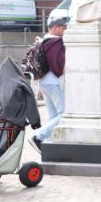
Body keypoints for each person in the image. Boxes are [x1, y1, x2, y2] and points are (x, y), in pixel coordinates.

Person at [32, 17, 68, 149]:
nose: (65, 30)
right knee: (64, 114)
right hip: (53, 83)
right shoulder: (55, 42)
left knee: (53, 115)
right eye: (64, 28)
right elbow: (57, 64)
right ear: (56, 28)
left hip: (44, 82)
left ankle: (47, 144)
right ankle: (39, 137)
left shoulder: (43, 41)